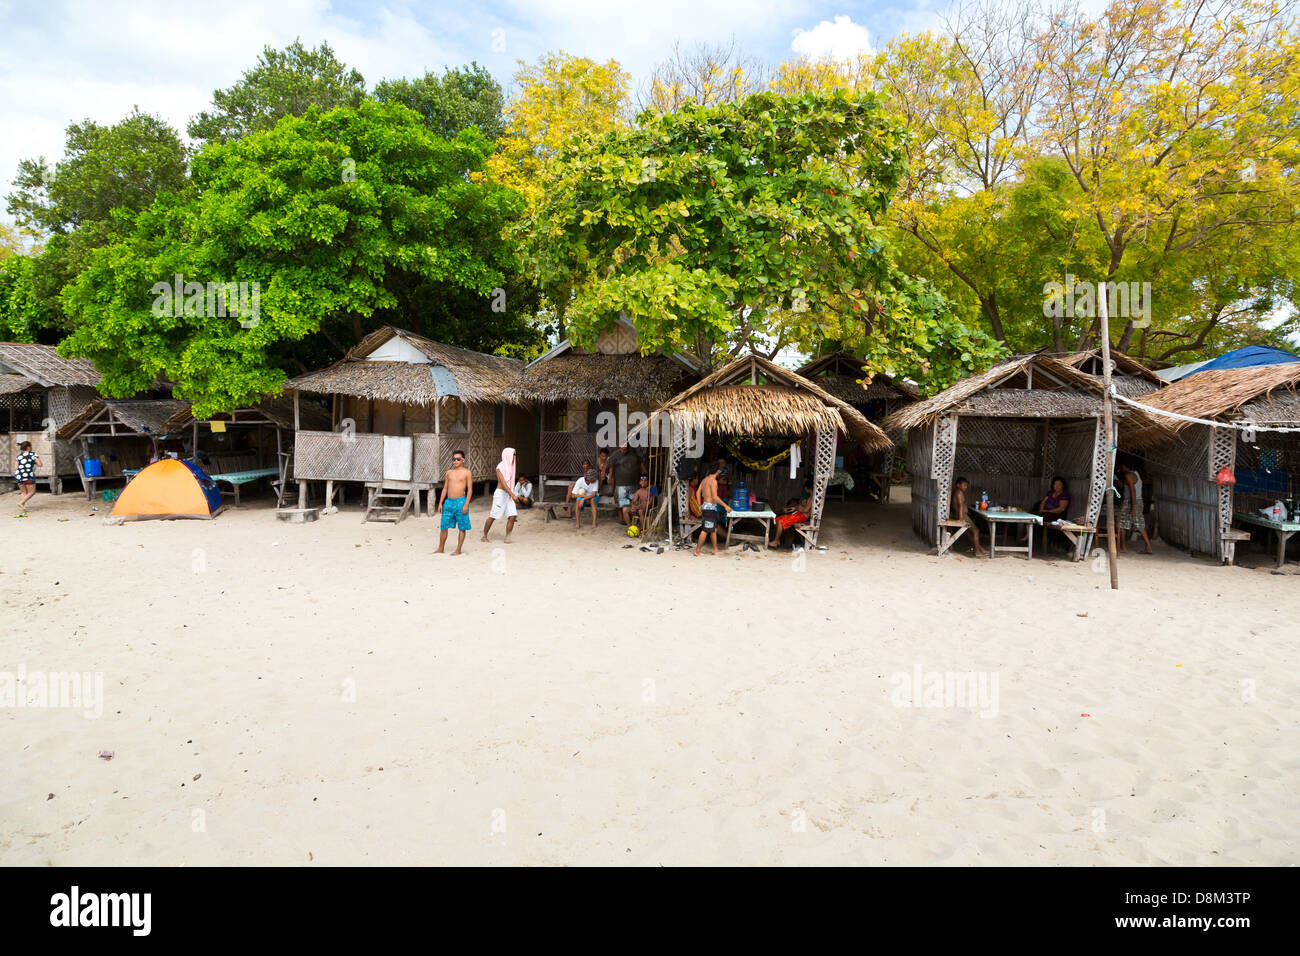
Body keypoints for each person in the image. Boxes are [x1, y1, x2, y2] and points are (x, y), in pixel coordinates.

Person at [435, 450, 472, 555]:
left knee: (462, 527)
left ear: (463, 460)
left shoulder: (467, 472)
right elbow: (445, 488)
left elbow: (470, 489)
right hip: (448, 502)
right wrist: (440, 503)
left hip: (461, 502)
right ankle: (440, 549)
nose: (455, 461)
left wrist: (466, 504)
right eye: (454, 459)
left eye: (458, 459)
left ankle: (458, 550)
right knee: (443, 526)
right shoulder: (449, 473)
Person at [693, 461, 732, 556]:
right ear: (717, 471)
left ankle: (715, 550)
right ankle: (697, 551)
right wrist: (725, 506)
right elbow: (715, 497)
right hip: (710, 509)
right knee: (706, 530)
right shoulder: (713, 481)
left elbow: (698, 492)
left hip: (706, 507)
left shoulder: (705, 479)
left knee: (713, 529)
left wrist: (699, 505)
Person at [481, 447, 519, 544]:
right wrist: (512, 494)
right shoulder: (500, 467)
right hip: (501, 494)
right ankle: (484, 535)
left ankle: (508, 537)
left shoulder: (511, 466)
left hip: (509, 494)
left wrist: (512, 494)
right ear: (508, 455)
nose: (515, 456)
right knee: (493, 515)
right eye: (513, 454)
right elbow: (503, 483)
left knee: (512, 515)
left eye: (515, 454)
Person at [1023, 476, 1071, 551]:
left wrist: (1046, 511)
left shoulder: (1064, 495)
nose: (1057, 486)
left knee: (1040, 518)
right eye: (1055, 484)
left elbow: (1061, 509)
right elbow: (1043, 501)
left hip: (1056, 515)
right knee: (1030, 515)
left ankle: (1030, 537)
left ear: (1063, 486)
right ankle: (1028, 535)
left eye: (1059, 484)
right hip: (1046, 512)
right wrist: (1041, 509)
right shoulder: (1050, 493)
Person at [1116, 462, 1152, 554]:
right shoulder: (1136, 473)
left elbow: (1133, 491)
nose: (1121, 468)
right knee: (1140, 525)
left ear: (1125, 466)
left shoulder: (1128, 475)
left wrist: (1133, 508)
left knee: (1122, 524)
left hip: (1131, 502)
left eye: (1121, 467)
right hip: (1138, 501)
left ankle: (1123, 547)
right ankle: (1148, 546)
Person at [951, 476, 987, 557]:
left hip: (958, 514)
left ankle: (979, 548)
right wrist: (961, 518)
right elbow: (960, 506)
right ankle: (977, 551)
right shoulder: (959, 492)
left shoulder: (956, 491)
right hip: (961, 515)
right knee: (976, 531)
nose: (965, 487)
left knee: (970, 532)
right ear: (958, 485)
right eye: (964, 485)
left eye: (966, 486)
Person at [608, 441, 642, 525]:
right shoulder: (615, 455)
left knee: (632, 501)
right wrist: (611, 477)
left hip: (633, 483)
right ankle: (621, 518)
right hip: (620, 484)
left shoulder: (633, 454)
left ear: (628, 448)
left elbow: (640, 464)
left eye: (625, 449)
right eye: (622, 449)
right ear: (619, 447)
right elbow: (611, 468)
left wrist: (644, 473)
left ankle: (629, 519)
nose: (623, 451)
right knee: (622, 502)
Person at [13, 441, 41, 517]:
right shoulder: (33, 454)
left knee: (23, 492)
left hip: (18, 475)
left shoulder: (18, 456)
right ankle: (21, 503)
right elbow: (40, 464)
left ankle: (22, 511)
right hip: (28, 475)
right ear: (28, 447)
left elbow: (15, 468)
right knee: (32, 492)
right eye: (31, 446)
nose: (31, 447)